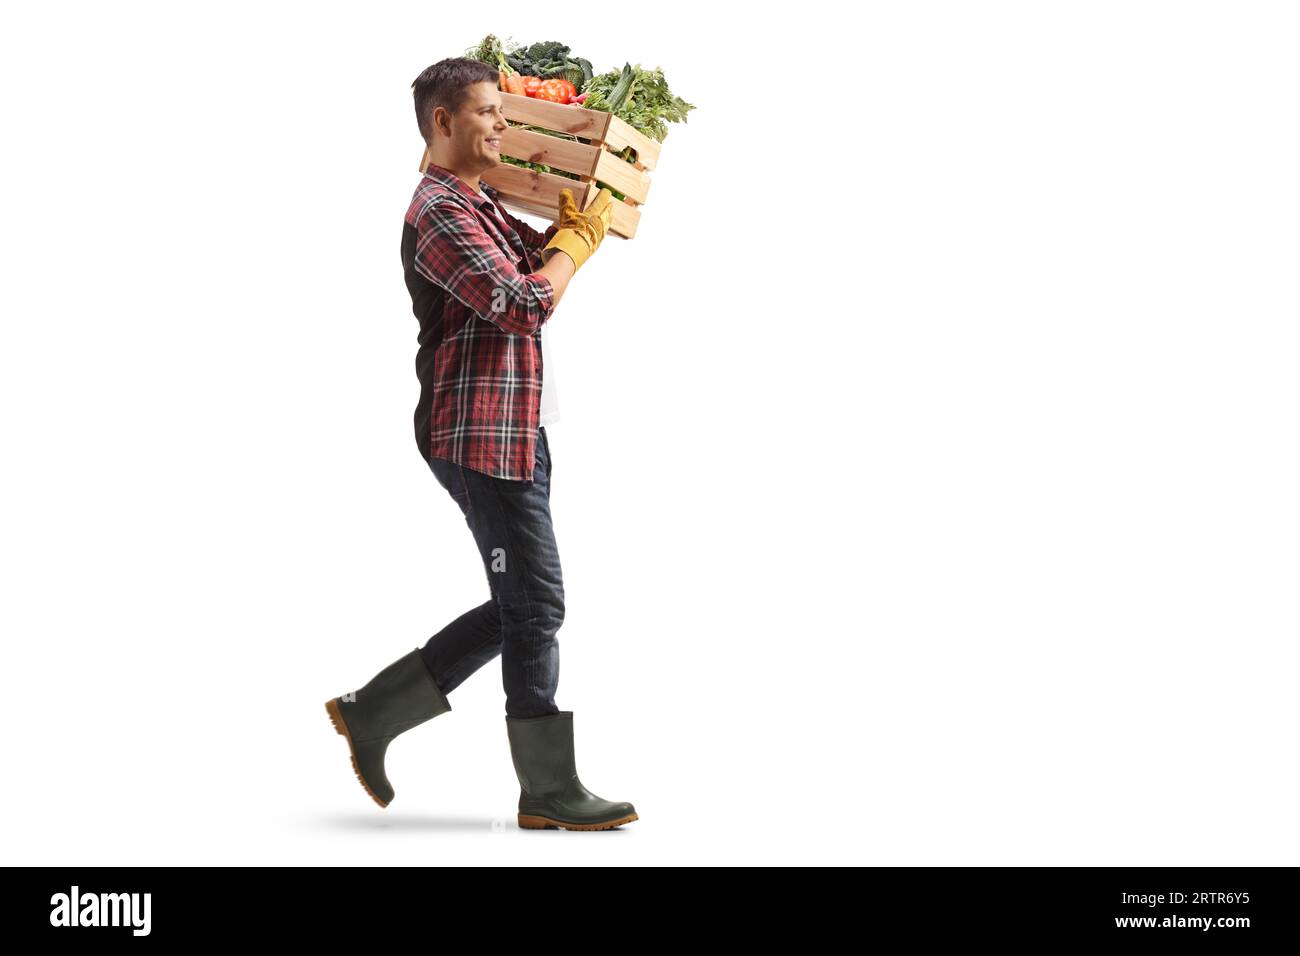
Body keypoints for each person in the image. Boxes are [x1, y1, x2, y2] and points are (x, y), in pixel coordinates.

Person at [324, 57, 638, 831]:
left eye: (504, 113)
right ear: (443, 123)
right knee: (539, 605)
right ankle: (547, 791)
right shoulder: (438, 210)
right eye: (490, 113)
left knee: (523, 601)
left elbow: (529, 264)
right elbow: (522, 301)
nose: (504, 125)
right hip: (476, 435)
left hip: (512, 424)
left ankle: (371, 713)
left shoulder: (476, 203)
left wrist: (569, 231)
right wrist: (576, 248)